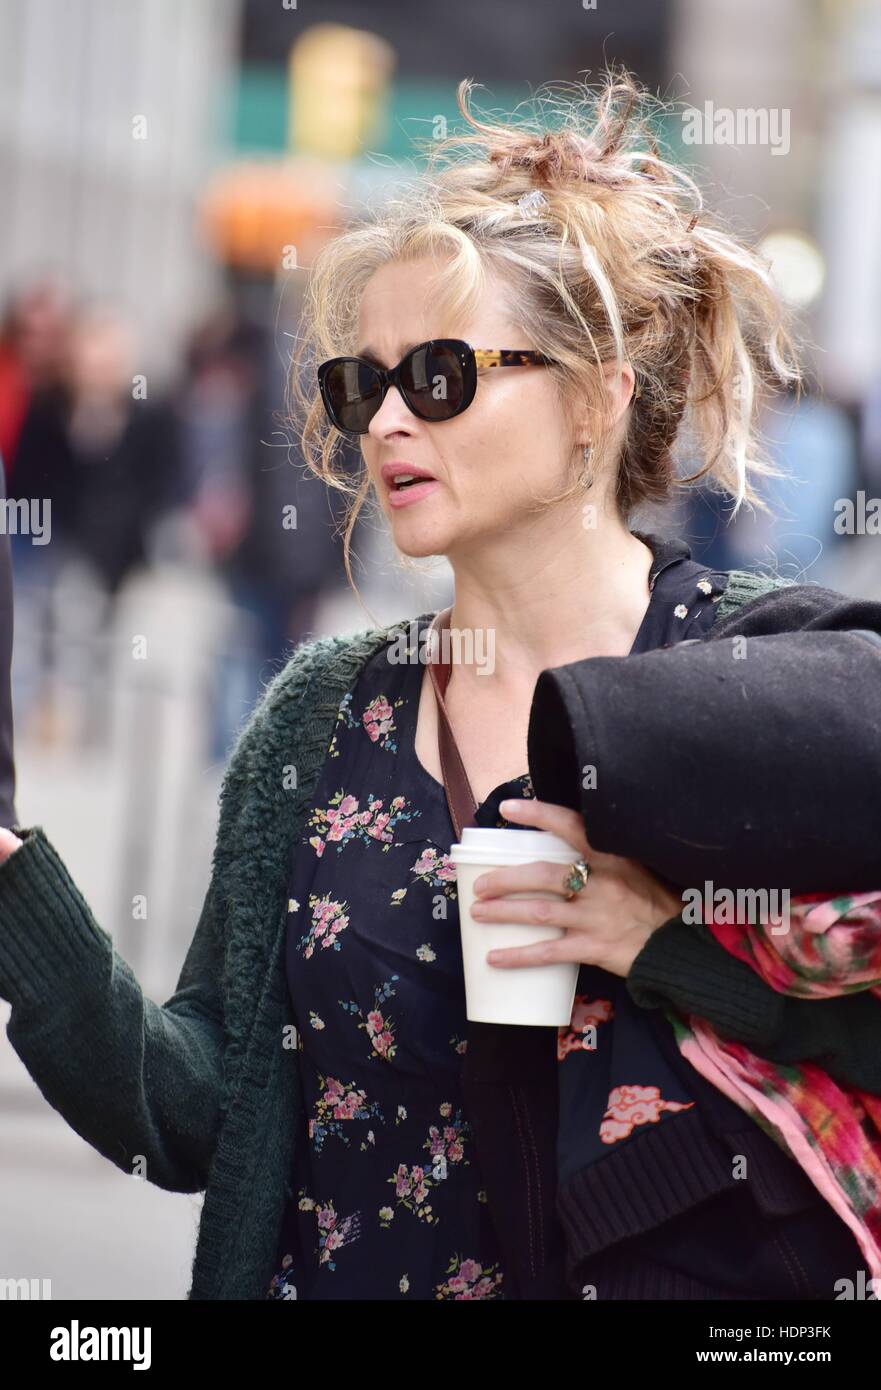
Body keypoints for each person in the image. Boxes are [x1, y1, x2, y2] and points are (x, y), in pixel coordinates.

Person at [0, 69, 879, 1301]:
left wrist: (663, 946)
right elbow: (191, 1107)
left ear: (593, 398)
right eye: (362, 384)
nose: (386, 424)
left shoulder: (753, 676)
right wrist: (9, 869)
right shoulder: (318, 713)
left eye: (442, 377)